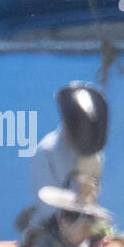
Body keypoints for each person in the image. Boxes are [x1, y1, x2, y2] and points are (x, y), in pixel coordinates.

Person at [22, 83, 108, 230]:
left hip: (84, 228)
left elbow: (91, 196)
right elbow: (46, 205)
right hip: (49, 230)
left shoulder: (94, 155)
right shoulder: (46, 152)